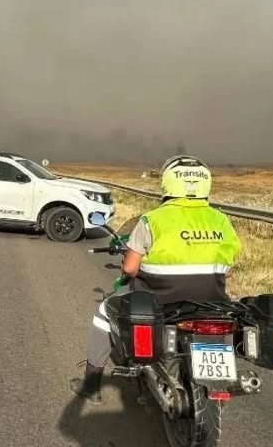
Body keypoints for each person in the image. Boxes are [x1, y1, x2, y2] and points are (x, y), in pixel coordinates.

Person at [72, 155, 242, 403]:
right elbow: (228, 266)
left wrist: (131, 266)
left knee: (103, 313)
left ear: (168, 182)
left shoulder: (152, 220)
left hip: (161, 300)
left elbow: (131, 268)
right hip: (211, 300)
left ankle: (91, 386)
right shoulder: (222, 220)